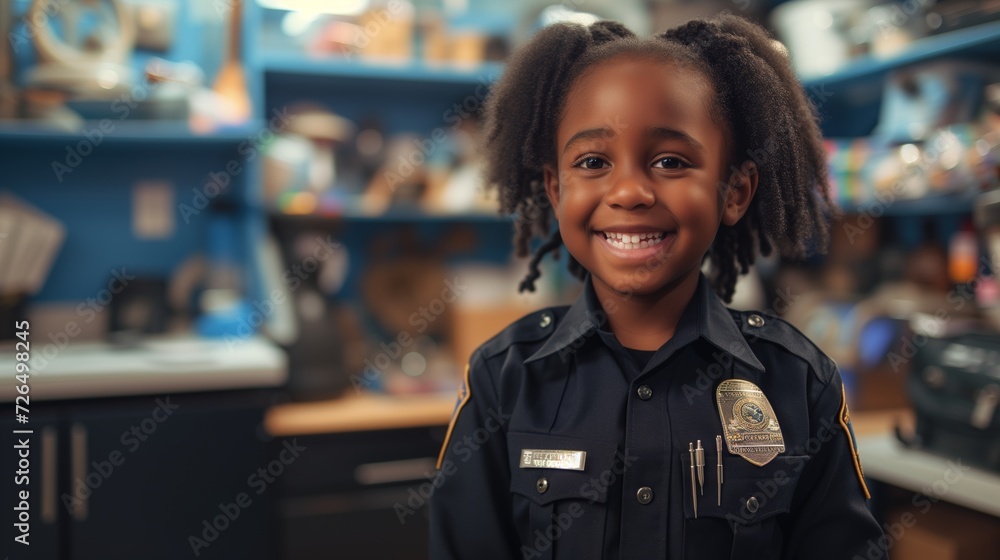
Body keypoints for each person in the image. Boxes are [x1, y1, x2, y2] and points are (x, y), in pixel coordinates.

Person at [429, 13, 886, 560]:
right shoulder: (503, 379)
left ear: (735, 190)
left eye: (670, 161)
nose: (629, 192)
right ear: (555, 190)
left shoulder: (800, 383)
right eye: (593, 161)